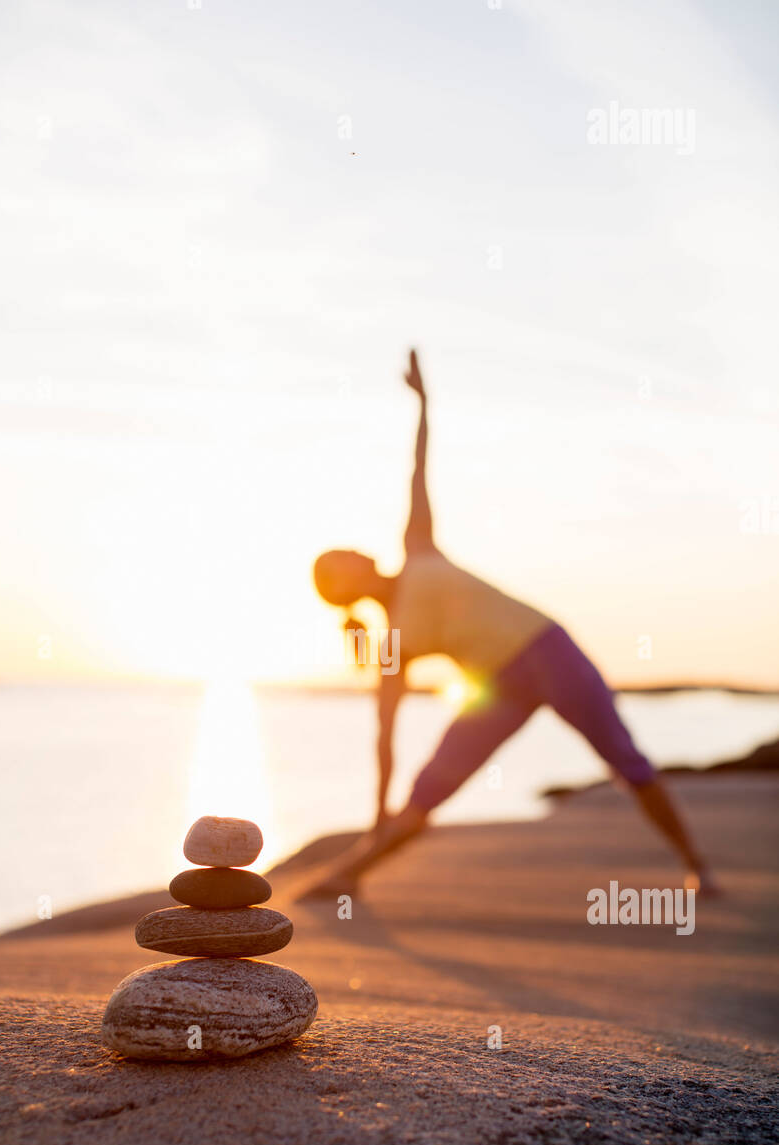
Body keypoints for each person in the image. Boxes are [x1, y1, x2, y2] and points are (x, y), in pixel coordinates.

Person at [305, 349, 717, 897]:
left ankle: (697, 865)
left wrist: (424, 403)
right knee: (431, 786)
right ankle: (351, 874)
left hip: (546, 650)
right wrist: (379, 810)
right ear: (345, 590)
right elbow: (385, 734)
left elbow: (418, 467)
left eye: (346, 549)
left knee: (625, 758)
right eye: (342, 562)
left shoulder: (418, 547)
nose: (354, 553)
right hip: (495, 688)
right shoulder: (392, 643)